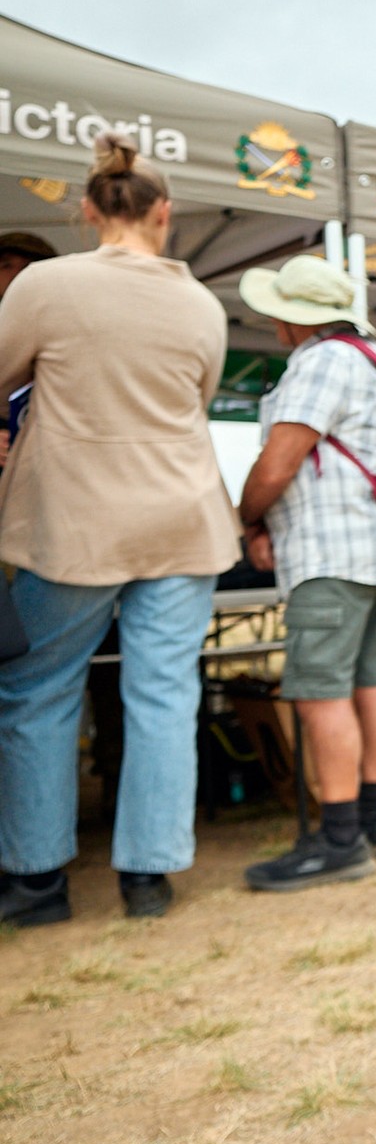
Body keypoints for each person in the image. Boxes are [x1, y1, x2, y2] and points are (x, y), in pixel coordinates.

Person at [0, 133, 237, 926]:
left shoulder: (44, 285)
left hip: (75, 519)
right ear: (164, 212)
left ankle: (37, 883)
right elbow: (195, 403)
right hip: (181, 516)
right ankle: (148, 876)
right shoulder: (202, 303)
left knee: (37, 692)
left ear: (87, 209)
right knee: (164, 694)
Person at [234, 255, 376, 890]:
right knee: (370, 683)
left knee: (320, 693)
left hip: (329, 551)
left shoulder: (318, 361)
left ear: (294, 317)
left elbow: (277, 464)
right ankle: (370, 822)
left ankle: (338, 838)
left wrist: (248, 521)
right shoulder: (374, 358)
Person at [0, 232, 56, 473]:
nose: (17, 275)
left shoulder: (71, 326)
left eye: (29, 267)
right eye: (6, 266)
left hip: (56, 449)